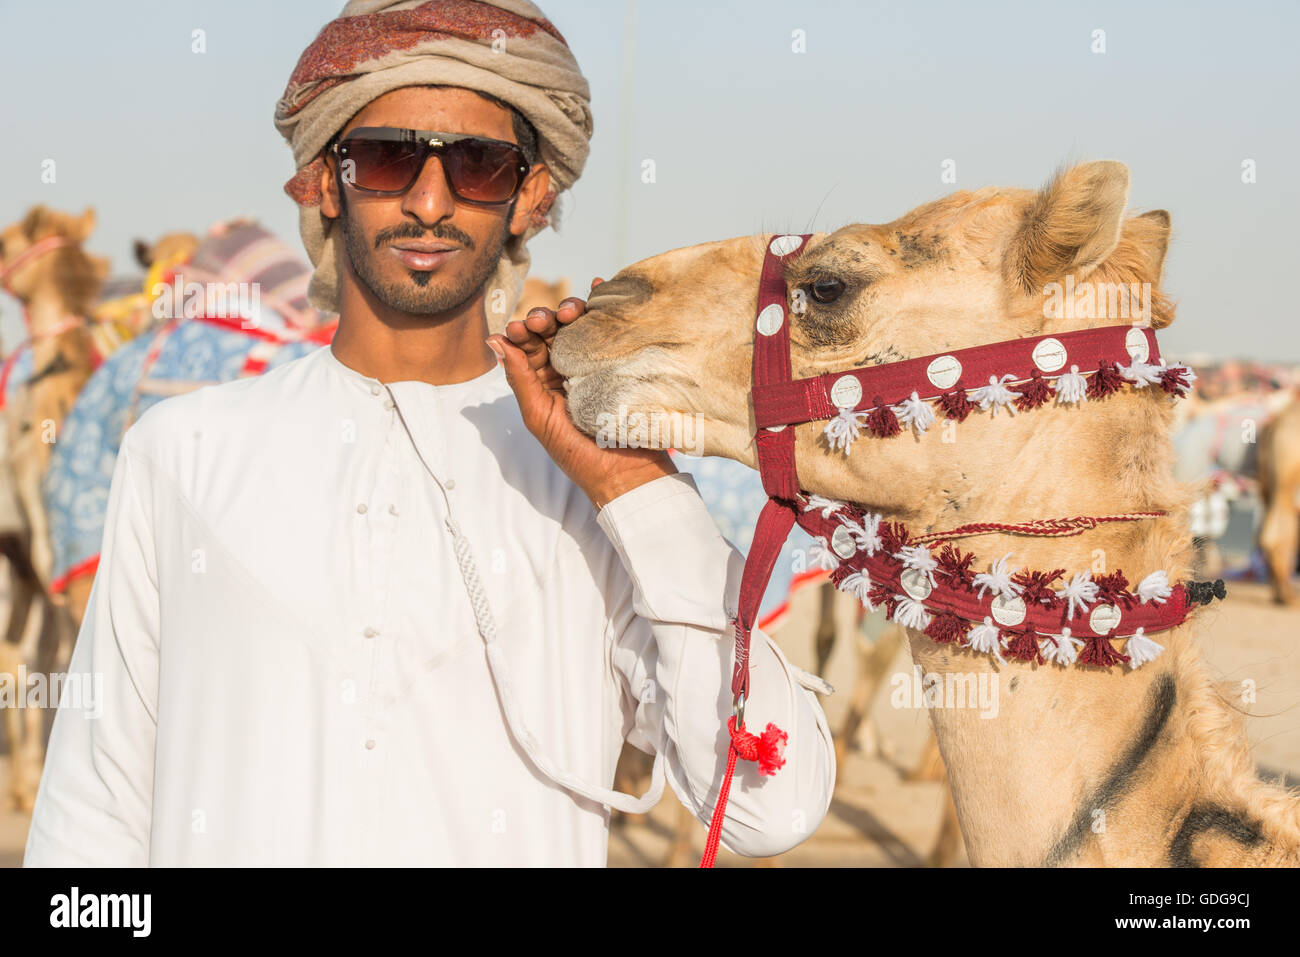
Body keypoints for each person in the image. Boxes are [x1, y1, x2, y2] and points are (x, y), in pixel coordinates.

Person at [24, 0, 834, 866]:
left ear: (529, 196)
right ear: (326, 181)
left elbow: (770, 807)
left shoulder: (600, 487)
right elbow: (93, 816)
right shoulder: (184, 451)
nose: (428, 200)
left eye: (478, 166)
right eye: (386, 157)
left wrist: (635, 490)